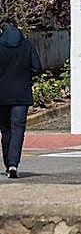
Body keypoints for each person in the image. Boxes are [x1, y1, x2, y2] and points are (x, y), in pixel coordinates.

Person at [0, 22, 42, 179]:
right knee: (18, 130)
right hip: (21, 95)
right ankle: (13, 164)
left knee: (6, 130)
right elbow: (37, 67)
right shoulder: (27, 45)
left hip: (2, 95)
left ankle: (7, 163)